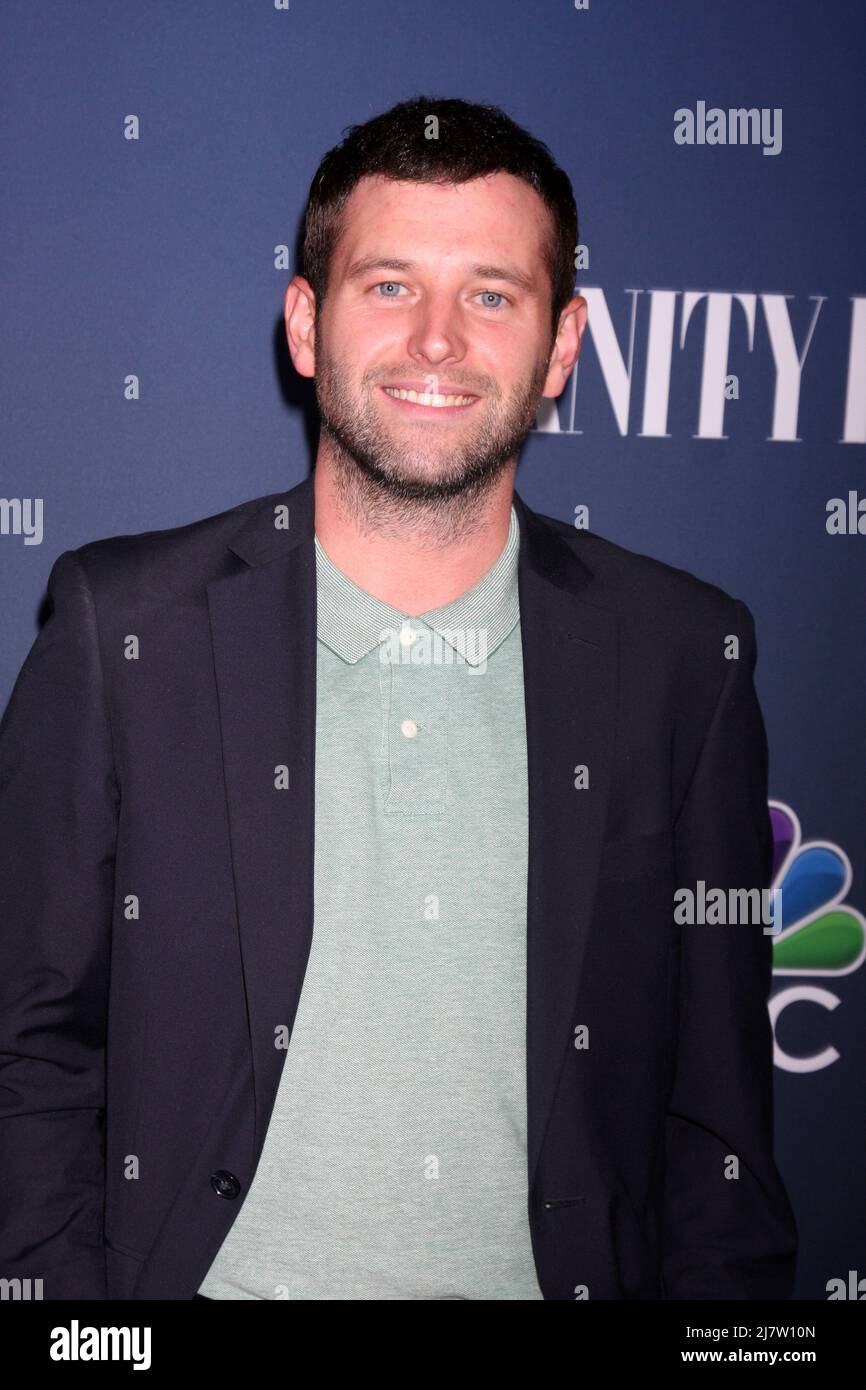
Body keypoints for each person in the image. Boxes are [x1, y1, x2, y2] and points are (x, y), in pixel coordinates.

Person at [0, 95, 797, 1300]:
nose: (437, 339)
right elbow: (26, 1050)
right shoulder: (127, 628)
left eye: (489, 293)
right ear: (305, 325)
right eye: (387, 286)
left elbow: (716, 1124)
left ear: (562, 346)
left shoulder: (684, 655)